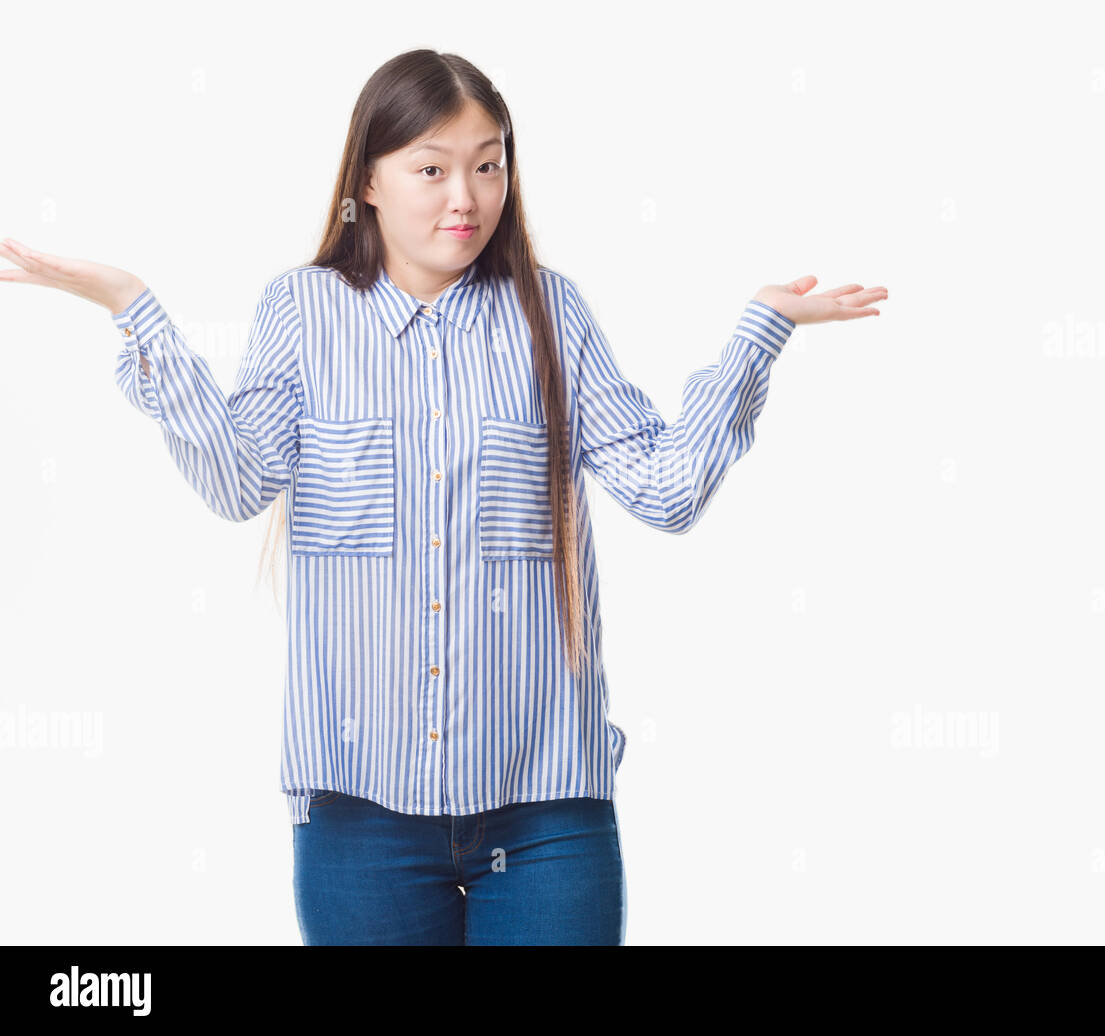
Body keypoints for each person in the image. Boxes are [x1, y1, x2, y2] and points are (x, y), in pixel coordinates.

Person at [0, 48, 887, 946]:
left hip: (546, 811)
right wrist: (133, 309)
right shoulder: (301, 312)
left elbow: (668, 491)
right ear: (370, 182)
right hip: (360, 814)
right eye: (432, 168)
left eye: (489, 164)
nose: (466, 197)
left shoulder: (553, 312)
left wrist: (761, 333)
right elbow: (237, 482)